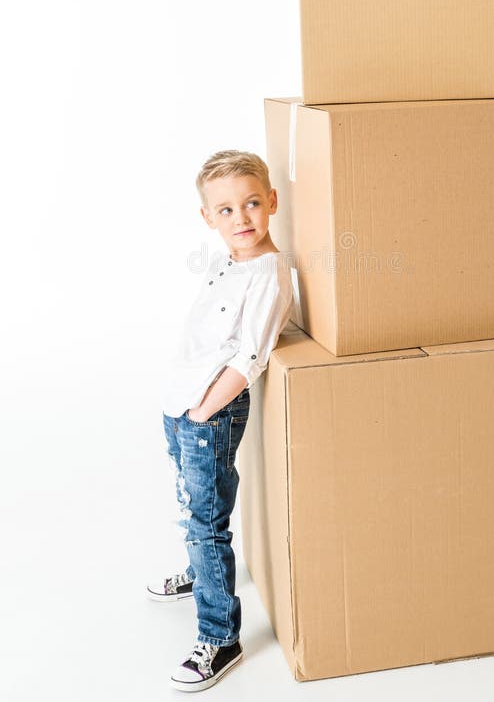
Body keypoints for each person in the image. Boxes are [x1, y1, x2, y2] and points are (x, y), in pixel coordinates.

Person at [148, 149, 294, 692]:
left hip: (208, 411)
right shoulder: (226, 261)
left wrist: (203, 411)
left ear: (272, 202)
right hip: (181, 400)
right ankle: (198, 572)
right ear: (208, 217)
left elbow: (249, 356)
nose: (242, 219)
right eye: (227, 210)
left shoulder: (270, 274)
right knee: (191, 501)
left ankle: (219, 635)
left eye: (253, 203)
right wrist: (181, 406)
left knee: (208, 520)